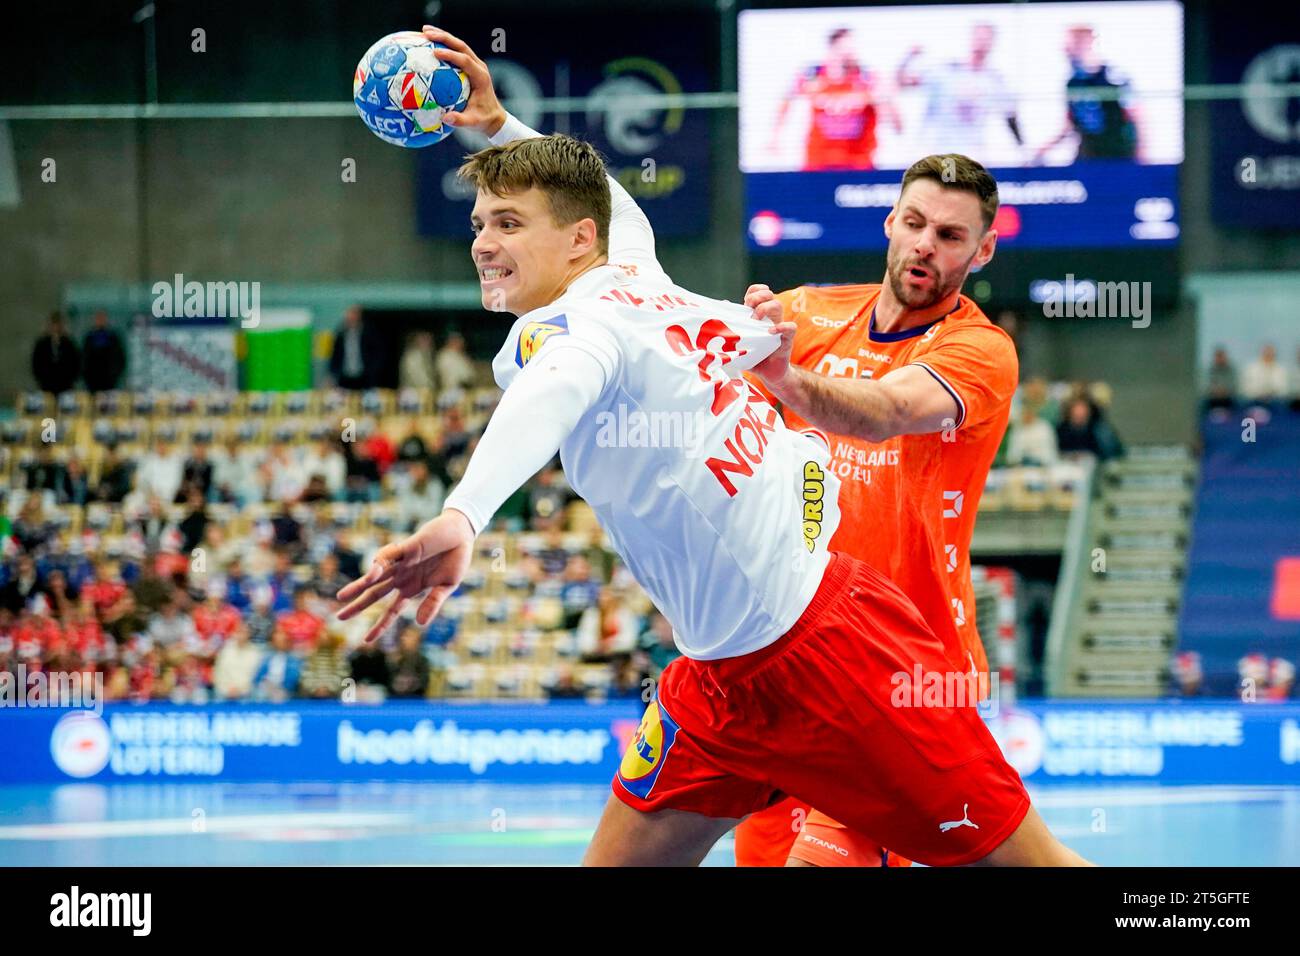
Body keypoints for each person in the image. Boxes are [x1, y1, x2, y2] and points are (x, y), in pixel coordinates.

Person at [336, 27, 1086, 869]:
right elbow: (600, 199)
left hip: (843, 657)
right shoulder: (635, 265)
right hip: (718, 674)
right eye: (481, 221)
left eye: (507, 223)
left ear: (577, 241)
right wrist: (500, 126)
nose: (482, 241)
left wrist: (463, 515)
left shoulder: (576, 333)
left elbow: (552, 389)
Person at [735, 152, 1019, 866]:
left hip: (903, 672)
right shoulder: (810, 312)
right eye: (916, 223)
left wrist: (786, 378)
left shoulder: (979, 350)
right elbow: (666, 315)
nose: (927, 243)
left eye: (951, 236)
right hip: (788, 663)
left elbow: (890, 410)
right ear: (891, 222)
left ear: (982, 250)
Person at [767, 26, 900, 172]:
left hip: (858, 165)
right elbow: (787, 98)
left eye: (852, 49)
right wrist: (775, 137)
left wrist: (884, 99)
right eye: (844, 49)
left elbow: (895, 123)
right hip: (818, 163)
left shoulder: (867, 78)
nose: (849, 54)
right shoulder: (812, 75)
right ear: (832, 49)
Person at [896, 22, 1023, 165]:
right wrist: (908, 57)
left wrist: (1024, 152)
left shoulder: (994, 81)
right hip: (934, 155)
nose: (981, 43)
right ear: (971, 38)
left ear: (992, 43)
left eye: (986, 39)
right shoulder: (945, 71)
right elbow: (902, 82)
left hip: (969, 159)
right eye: (979, 37)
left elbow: (1011, 116)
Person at [1035, 24, 1140, 163]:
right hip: (1088, 155)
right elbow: (1069, 123)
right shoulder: (1072, 83)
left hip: (1118, 155)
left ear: (1086, 42)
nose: (1066, 51)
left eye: (1071, 45)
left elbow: (1137, 116)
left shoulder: (1114, 77)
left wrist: (1141, 154)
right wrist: (1041, 150)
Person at [329, 305, 381, 390]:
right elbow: (335, 355)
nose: (351, 317)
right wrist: (333, 373)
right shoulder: (341, 333)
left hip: (364, 377)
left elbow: (377, 352)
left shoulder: (368, 332)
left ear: (358, 316)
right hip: (345, 377)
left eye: (353, 314)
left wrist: (372, 370)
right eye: (349, 315)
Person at [31, 312, 81, 395]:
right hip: (46, 384)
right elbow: (36, 363)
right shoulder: (41, 344)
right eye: (53, 325)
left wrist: (71, 379)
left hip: (66, 385)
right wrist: (41, 379)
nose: (56, 328)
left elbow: (76, 362)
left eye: (58, 325)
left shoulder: (69, 343)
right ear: (49, 325)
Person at [81, 310, 126, 392]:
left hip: (110, 381)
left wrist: (114, 376)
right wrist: (87, 377)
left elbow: (120, 359)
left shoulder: (113, 338)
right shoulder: (89, 338)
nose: (100, 321)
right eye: (98, 318)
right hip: (92, 382)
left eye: (102, 318)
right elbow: (84, 359)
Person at [1241, 343, 1288, 408]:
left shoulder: (1280, 369)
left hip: (1275, 400)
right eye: (1266, 353)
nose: (1268, 355)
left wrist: (1270, 394)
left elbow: (1283, 389)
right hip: (1255, 400)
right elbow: (1247, 388)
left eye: (1270, 353)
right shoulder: (1252, 368)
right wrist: (1260, 394)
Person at [1204, 346, 1237, 414]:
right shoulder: (1210, 370)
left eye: (1221, 356)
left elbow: (1234, 384)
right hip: (1213, 398)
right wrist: (1216, 391)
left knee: (1238, 402)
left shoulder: (1231, 370)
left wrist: (1225, 391)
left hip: (1228, 397)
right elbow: (1206, 385)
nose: (1220, 359)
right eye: (1218, 357)